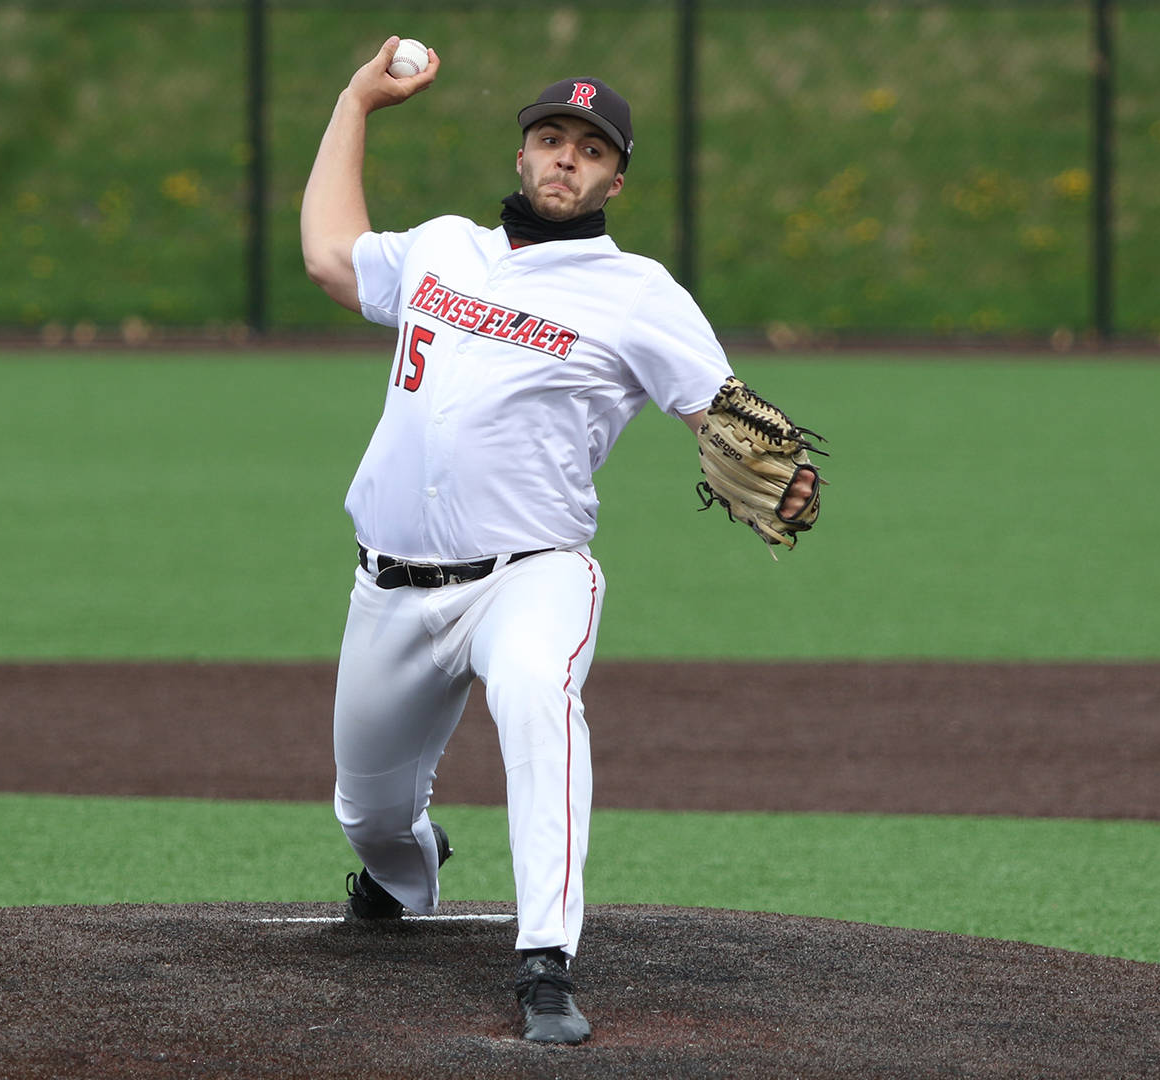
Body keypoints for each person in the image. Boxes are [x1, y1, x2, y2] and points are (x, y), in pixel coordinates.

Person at [299, 38, 813, 1045]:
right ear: (523, 154)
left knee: (537, 695)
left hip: (530, 574)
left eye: (589, 146)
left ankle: (546, 960)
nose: (566, 157)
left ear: (616, 174)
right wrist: (354, 99)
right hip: (392, 590)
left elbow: (720, 411)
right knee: (368, 817)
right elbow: (327, 253)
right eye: (550, 137)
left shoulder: (638, 291)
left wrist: (770, 465)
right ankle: (408, 875)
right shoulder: (445, 247)